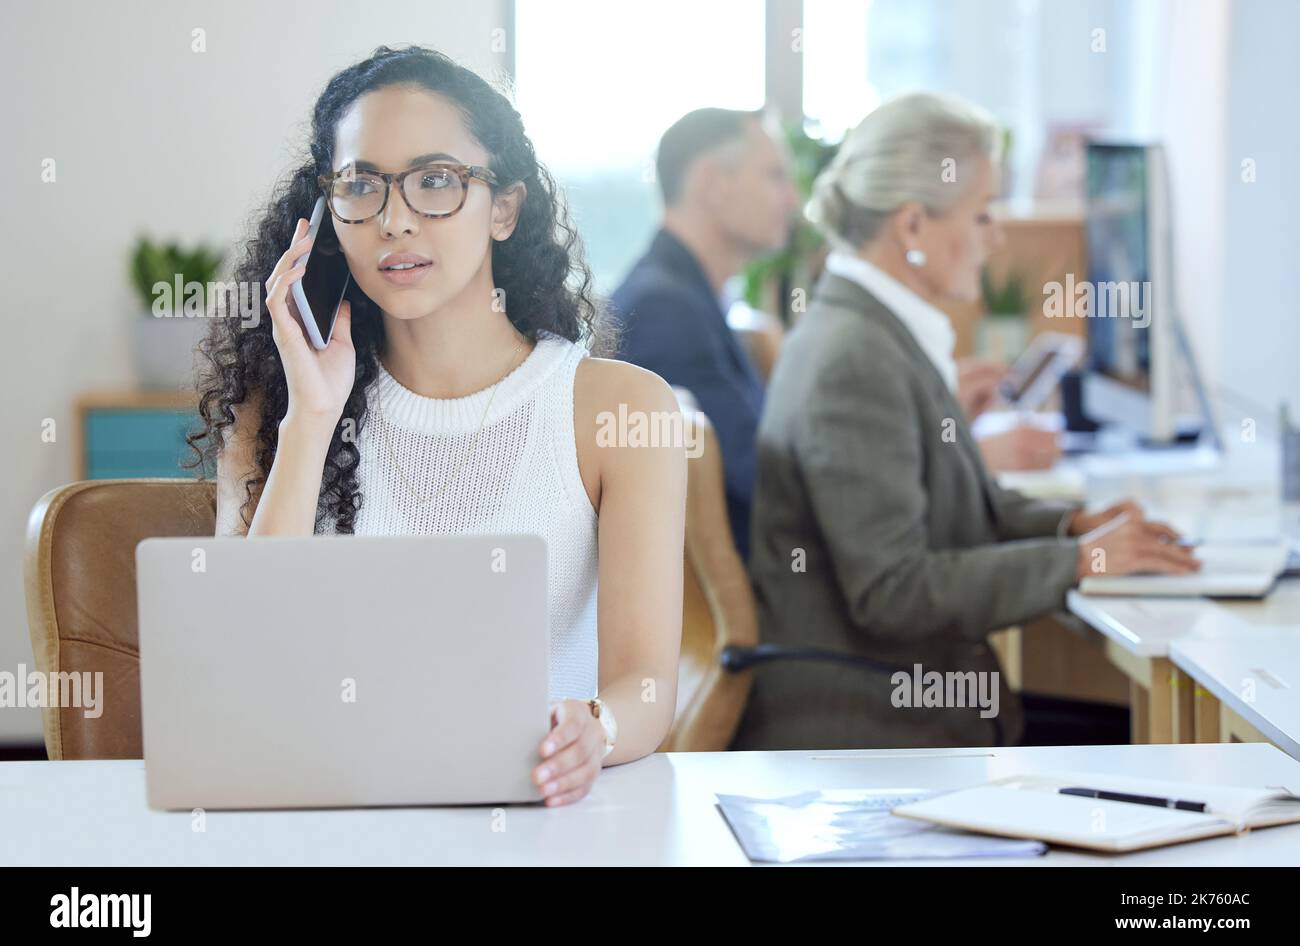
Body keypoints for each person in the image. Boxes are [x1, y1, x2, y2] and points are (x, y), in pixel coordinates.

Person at [187, 46, 687, 806]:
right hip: (327, 817)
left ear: (505, 208)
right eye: (361, 186)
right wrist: (313, 414)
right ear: (325, 217)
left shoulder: (617, 410)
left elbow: (645, 682)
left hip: (537, 822)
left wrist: (599, 726)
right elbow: (245, 671)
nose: (393, 219)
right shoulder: (278, 409)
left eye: (435, 181)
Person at [732, 92, 1200, 751]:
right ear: (914, 226)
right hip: (871, 727)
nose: (997, 235)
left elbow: (951, 513)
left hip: (904, 700)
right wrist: (1077, 562)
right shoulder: (855, 358)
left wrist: (1069, 526)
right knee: (1175, 755)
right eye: (982, 214)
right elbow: (892, 590)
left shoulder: (872, 329)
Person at [611, 108, 801, 559]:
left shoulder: (691, 297)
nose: (792, 200)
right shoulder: (665, 310)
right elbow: (760, 484)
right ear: (713, 184)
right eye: (775, 177)